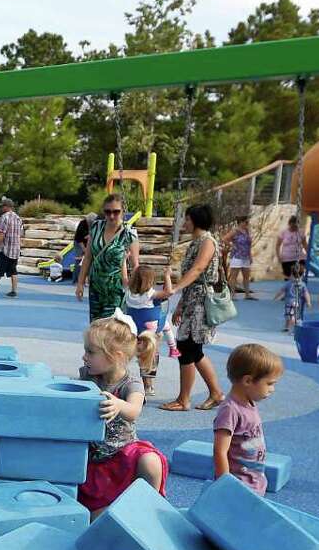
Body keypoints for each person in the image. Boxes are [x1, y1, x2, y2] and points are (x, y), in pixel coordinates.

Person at [77, 317, 167, 515]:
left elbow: (135, 410)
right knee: (96, 517)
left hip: (124, 454)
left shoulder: (131, 383)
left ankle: (150, 509)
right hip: (96, 458)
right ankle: (117, 513)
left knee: (151, 461)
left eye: (90, 352)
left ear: (115, 356)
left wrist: (119, 405)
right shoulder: (88, 376)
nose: (84, 357)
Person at [159, 204, 228, 412]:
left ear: (196, 220)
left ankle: (185, 399)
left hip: (201, 302)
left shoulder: (207, 242)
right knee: (190, 348)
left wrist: (176, 288)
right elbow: (192, 274)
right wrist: (180, 304)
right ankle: (214, 393)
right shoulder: (195, 242)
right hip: (192, 301)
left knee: (189, 348)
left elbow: (198, 269)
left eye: (187, 219)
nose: (184, 223)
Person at [214, 343, 283, 496]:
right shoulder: (230, 410)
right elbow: (220, 451)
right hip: (238, 487)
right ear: (247, 381)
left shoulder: (248, 402)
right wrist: (224, 486)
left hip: (254, 481)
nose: (272, 389)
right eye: (269, 383)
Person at [74, 194, 138, 323]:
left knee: (114, 329)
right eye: (108, 212)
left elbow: (136, 265)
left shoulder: (129, 233)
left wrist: (137, 289)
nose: (112, 216)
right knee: (96, 327)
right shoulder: (96, 227)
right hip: (96, 287)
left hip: (116, 289)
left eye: (116, 211)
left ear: (123, 211)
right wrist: (80, 283)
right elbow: (88, 258)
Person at [120, 264, 171, 385]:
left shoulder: (128, 291)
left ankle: (139, 379)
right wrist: (167, 276)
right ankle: (148, 383)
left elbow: (124, 277)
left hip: (134, 329)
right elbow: (168, 292)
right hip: (150, 332)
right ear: (150, 280)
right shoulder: (150, 295)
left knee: (140, 353)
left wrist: (123, 261)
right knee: (150, 354)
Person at [227, 216, 255, 300]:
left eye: (247, 222)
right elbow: (224, 239)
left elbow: (248, 245)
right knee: (234, 276)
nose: (247, 224)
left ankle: (247, 294)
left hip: (245, 256)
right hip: (237, 256)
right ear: (241, 222)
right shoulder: (235, 231)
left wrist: (250, 256)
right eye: (246, 222)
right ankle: (232, 295)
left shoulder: (247, 231)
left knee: (246, 276)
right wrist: (232, 245)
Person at [276, 214, 308, 283]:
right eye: (293, 226)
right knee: (288, 278)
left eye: (296, 226)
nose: (294, 228)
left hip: (299, 257)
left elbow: (305, 244)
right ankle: (289, 291)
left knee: (299, 274)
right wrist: (278, 256)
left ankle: (298, 288)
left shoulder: (301, 232)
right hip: (286, 258)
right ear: (290, 224)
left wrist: (309, 254)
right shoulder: (284, 232)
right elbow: (278, 245)